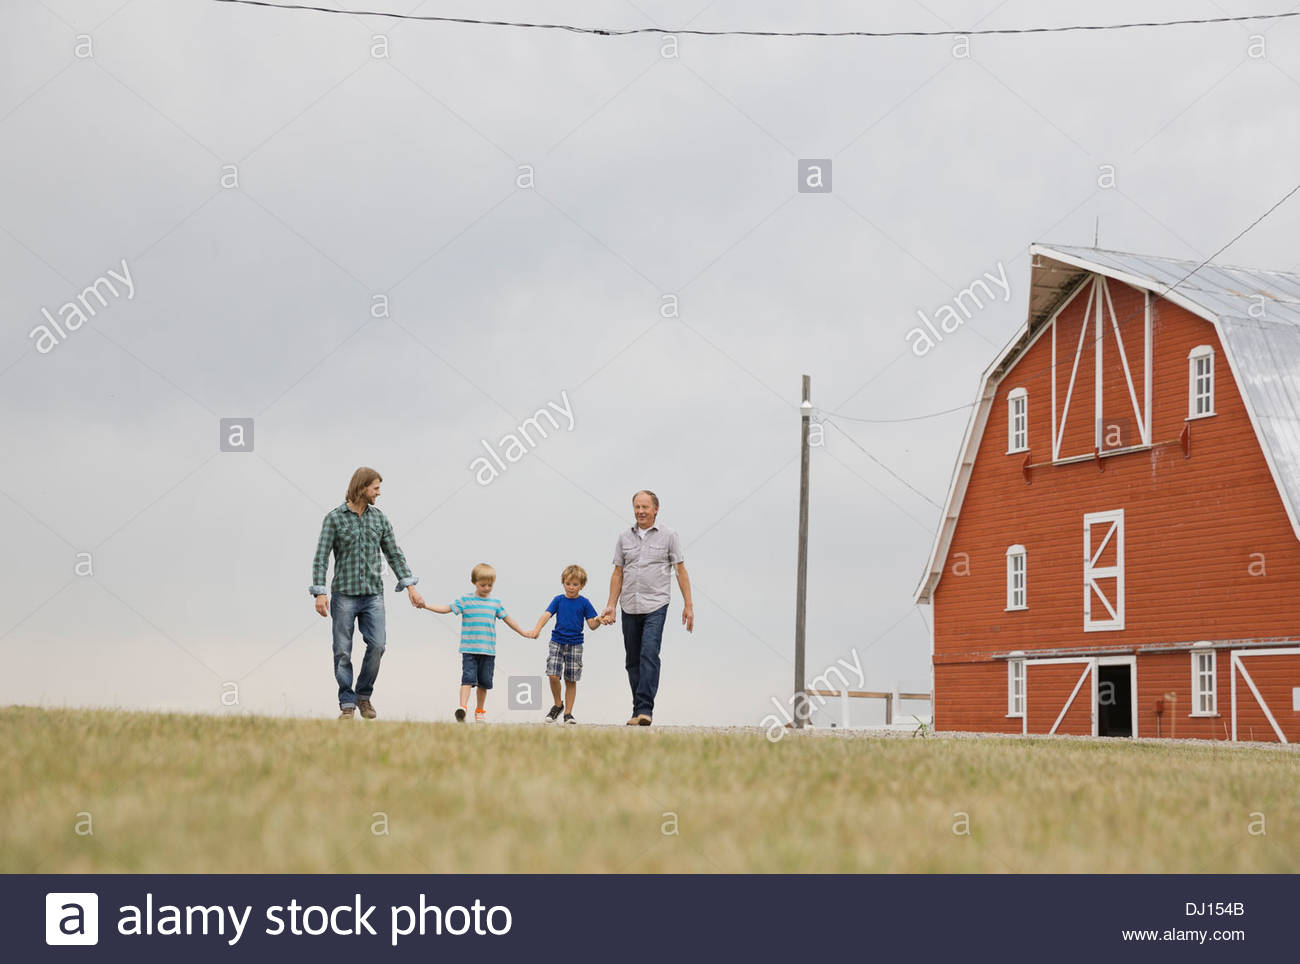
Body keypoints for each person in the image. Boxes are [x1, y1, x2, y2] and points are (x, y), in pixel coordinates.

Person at [311, 467, 425, 720]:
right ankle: (347, 704)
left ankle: (363, 695)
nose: (379, 493)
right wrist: (320, 592)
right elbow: (321, 557)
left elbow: (394, 554)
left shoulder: (380, 519)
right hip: (344, 595)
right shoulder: (334, 519)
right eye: (375, 488)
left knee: (378, 645)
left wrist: (411, 588)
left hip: (373, 595)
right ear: (362, 488)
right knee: (342, 650)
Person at [601, 490, 694, 726]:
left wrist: (688, 605)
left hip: (656, 604)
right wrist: (611, 604)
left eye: (645, 507)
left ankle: (645, 709)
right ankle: (637, 710)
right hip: (629, 605)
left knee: (649, 653)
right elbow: (617, 573)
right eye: (636, 507)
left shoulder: (669, 535)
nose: (640, 511)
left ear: (655, 509)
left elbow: (680, 570)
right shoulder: (624, 537)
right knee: (632, 660)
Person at [423, 563, 531, 722]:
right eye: (483, 585)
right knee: (467, 679)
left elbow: (508, 620)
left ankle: (480, 710)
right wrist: (426, 605)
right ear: (474, 582)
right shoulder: (465, 600)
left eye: (490, 585)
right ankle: (462, 708)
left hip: (488, 651)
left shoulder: (495, 602)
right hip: (469, 649)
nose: (486, 588)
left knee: (484, 683)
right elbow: (446, 608)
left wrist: (523, 632)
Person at [530, 565, 602, 724]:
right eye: (568, 584)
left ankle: (568, 713)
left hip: (575, 645)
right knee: (553, 674)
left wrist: (600, 620)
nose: (571, 587)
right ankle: (558, 704)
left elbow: (592, 624)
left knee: (571, 679)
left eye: (575, 584)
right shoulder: (558, 600)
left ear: (582, 586)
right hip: (557, 642)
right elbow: (546, 615)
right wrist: (537, 629)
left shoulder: (585, 603)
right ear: (563, 583)